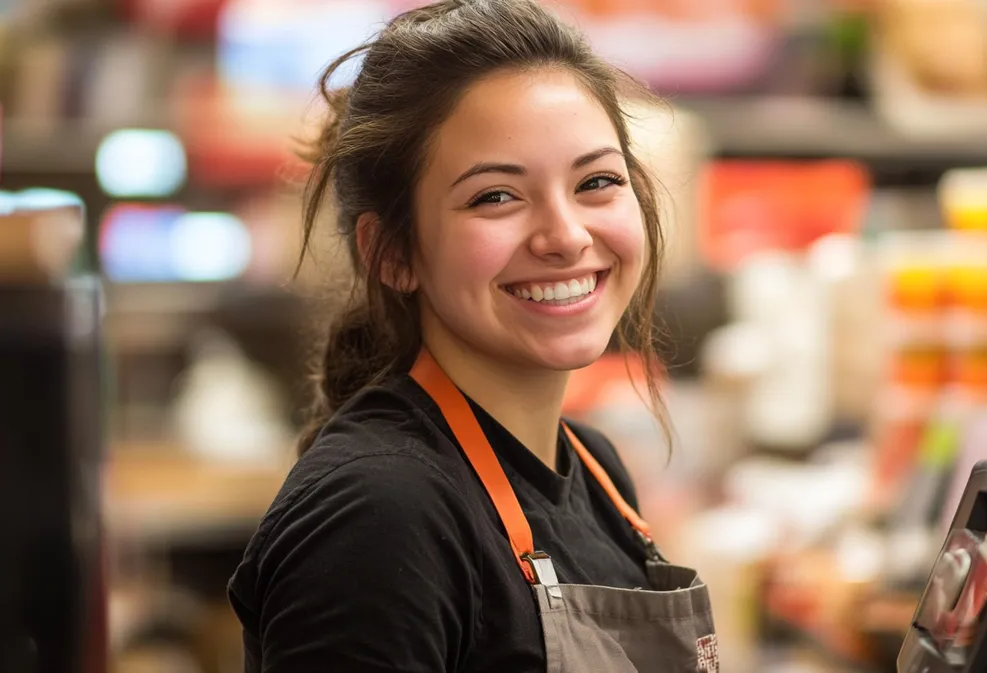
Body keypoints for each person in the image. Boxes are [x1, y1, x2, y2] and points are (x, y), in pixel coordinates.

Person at [227, 0, 718, 671]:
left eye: (597, 181)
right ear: (391, 252)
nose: (567, 235)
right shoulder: (379, 516)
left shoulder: (597, 470)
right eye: (496, 196)